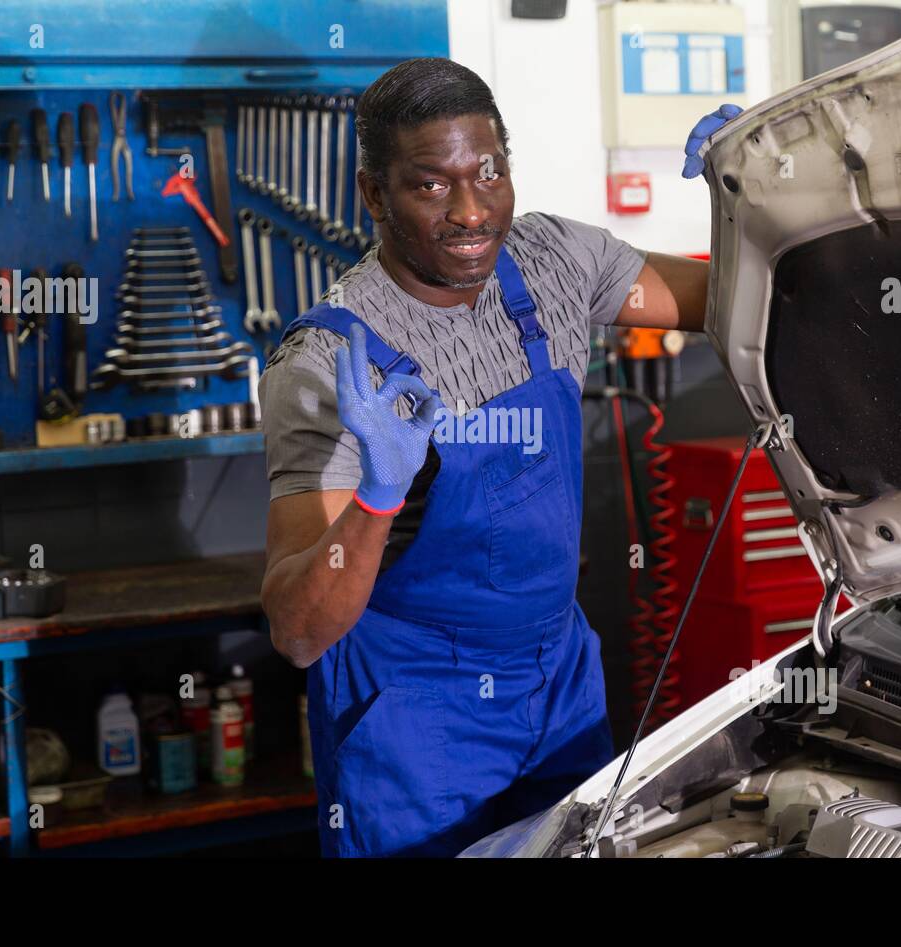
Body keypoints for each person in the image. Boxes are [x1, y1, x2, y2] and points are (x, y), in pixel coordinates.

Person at [259, 56, 739, 856]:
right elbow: (299, 632)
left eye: (488, 173)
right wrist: (378, 496)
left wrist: (754, 194)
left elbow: (734, 301)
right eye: (431, 185)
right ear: (374, 194)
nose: (472, 211)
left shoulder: (555, 263)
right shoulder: (327, 365)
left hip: (557, 682)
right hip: (417, 716)